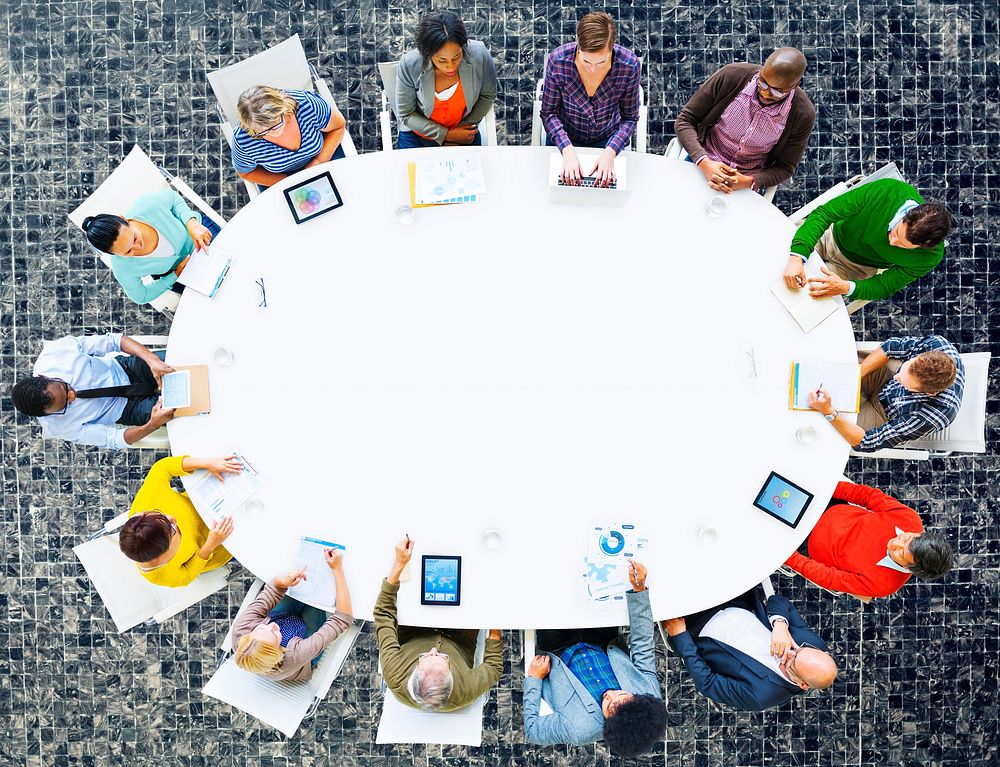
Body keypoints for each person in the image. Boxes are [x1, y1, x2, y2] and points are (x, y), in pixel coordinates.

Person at [524, 560, 666, 756]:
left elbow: (532, 730)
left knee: (546, 586)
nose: (609, 694)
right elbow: (643, 642)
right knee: (590, 576)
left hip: (557, 648)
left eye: (608, 706)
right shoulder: (648, 695)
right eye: (621, 694)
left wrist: (534, 679)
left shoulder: (577, 730)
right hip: (601, 639)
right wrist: (639, 590)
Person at [374, 537, 503, 711]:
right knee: (477, 572)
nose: (435, 650)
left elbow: (383, 615)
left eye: (426, 656)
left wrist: (399, 564)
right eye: (443, 657)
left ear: (417, 668)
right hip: (461, 633)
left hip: (414, 628)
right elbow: (494, 667)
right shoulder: (465, 691)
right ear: (451, 674)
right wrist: (494, 623)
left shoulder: (394, 673)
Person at [663, 586, 838, 711]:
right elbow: (780, 602)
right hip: (735, 596)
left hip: (695, 623)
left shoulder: (760, 696)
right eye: (799, 650)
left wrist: (680, 636)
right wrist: (780, 625)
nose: (791, 651)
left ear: (802, 684)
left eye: (792, 660)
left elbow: (708, 682)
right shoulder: (814, 645)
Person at [783, 178, 953, 302]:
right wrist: (797, 256)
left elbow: (885, 286)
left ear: (922, 247)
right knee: (781, 257)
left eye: (902, 245)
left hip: (856, 268)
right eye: (895, 233)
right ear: (905, 216)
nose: (891, 243)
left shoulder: (930, 257)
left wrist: (847, 287)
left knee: (804, 299)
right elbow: (825, 214)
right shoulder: (887, 191)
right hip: (829, 234)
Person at [674, 48, 814, 194]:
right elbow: (685, 120)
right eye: (763, 82)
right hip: (703, 161)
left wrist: (749, 182)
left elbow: (785, 167)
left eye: (777, 91)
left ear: (794, 86)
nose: (765, 93)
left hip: (744, 182)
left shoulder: (802, 114)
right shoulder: (731, 75)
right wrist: (704, 162)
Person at [785, 481, 953, 599]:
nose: (895, 543)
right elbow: (865, 495)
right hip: (827, 504)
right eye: (906, 538)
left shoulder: (883, 585)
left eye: (901, 553)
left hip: (803, 542)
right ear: (920, 534)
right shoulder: (910, 519)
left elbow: (830, 577)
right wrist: (823, 487)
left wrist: (788, 555)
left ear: (909, 568)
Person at [10, 332, 176, 449]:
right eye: (66, 404)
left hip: (127, 369)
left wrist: (151, 359)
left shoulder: (54, 355)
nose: (72, 396)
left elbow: (114, 341)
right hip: (128, 409)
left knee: (180, 365)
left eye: (65, 387)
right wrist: (152, 425)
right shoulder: (58, 427)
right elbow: (114, 439)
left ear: (44, 377)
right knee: (182, 406)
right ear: (48, 415)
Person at [809, 335, 964, 452]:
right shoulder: (937, 345)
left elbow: (867, 442)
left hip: (884, 416)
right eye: (903, 369)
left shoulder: (929, 417)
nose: (897, 378)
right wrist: (854, 378)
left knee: (825, 429)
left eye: (903, 381)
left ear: (930, 393)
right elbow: (891, 347)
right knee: (838, 362)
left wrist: (829, 412)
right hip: (883, 379)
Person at [540, 12, 641, 187]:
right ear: (578, 47)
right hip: (564, 139)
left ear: (612, 49)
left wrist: (610, 152)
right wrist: (567, 150)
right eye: (586, 61)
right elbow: (549, 113)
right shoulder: (558, 60)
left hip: (608, 141)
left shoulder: (629, 65)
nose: (593, 69)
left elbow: (630, 118)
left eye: (601, 62)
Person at [118, 455, 241, 588]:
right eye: (172, 528)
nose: (173, 518)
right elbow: (187, 575)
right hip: (225, 542)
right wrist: (210, 545)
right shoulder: (160, 575)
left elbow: (162, 468)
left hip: (211, 497)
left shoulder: (146, 502)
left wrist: (206, 463)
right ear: (165, 551)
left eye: (160, 514)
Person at [81, 189, 220, 306]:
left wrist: (191, 222)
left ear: (124, 219)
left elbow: (173, 198)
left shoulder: (146, 206)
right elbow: (141, 296)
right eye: (129, 251)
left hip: (199, 233)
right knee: (214, 302)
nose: (139, 247)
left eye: (134, 238)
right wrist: (174, 276)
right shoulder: (122, 268)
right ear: (113, 254)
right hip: (179, 271)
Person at [232, 549, 354, 681]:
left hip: (283, 623)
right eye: (274, 633)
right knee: (317, 601)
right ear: (279, 652)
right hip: (302, 655)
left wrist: (284, 582)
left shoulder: (242, 629)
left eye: (262, 627)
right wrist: (337, 569)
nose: (273, 625)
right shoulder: (296, 656)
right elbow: (342, 619)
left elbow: (273, 588)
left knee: (301, 588)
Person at [395, 10, 498, 149]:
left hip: (463, 134)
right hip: (418, 137)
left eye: (456, 57)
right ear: (428, 54)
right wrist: (446, 135)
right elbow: (407, 114)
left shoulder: (480, 55)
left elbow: (487, 96)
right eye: (442, 60)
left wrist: (460, 133)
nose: (451, 66)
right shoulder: (409, 64)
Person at [232, 85, 347, 188]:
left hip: (324, 157)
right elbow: (245, 172)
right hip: (281, 178)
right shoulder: (243, 139)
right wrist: (288, 182)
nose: (273, 133)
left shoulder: (307, 104)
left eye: (276, 125)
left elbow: (338, 126)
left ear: (284, 110)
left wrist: (318, 161)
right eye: (262, 132)